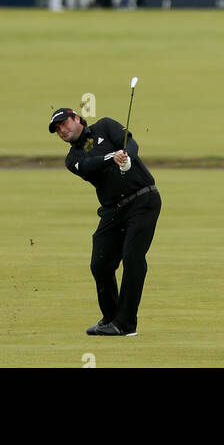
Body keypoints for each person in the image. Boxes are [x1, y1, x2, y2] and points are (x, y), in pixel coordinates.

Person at [49, 106, 161, 338]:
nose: (62, 130)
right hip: (113, 210)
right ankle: (111, 319)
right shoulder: (73, 159)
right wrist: (114, 157)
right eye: (57, 129)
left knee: (133, 258)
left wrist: (127, 156)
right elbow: (91, 165)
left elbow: (131, 143)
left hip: (143, 200)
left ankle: (126, 324)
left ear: (76, 118)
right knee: (100, 263)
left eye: (64, 124)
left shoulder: (106, 125)